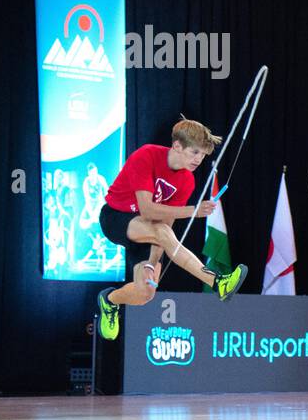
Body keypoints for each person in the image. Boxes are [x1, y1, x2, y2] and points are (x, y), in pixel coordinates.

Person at [95, 119, 247, 340]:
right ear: (177, 146)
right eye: (194, 152)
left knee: (145, 293)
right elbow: (147, 210)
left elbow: (165, 225)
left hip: (151, 229)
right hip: (116, 218)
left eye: (203, 155)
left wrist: (152, 262)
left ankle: (109, 301)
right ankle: (217, 282)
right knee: (162, 232)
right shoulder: (146, 155)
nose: (198, 159)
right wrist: (193, 211)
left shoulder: (187, 180)